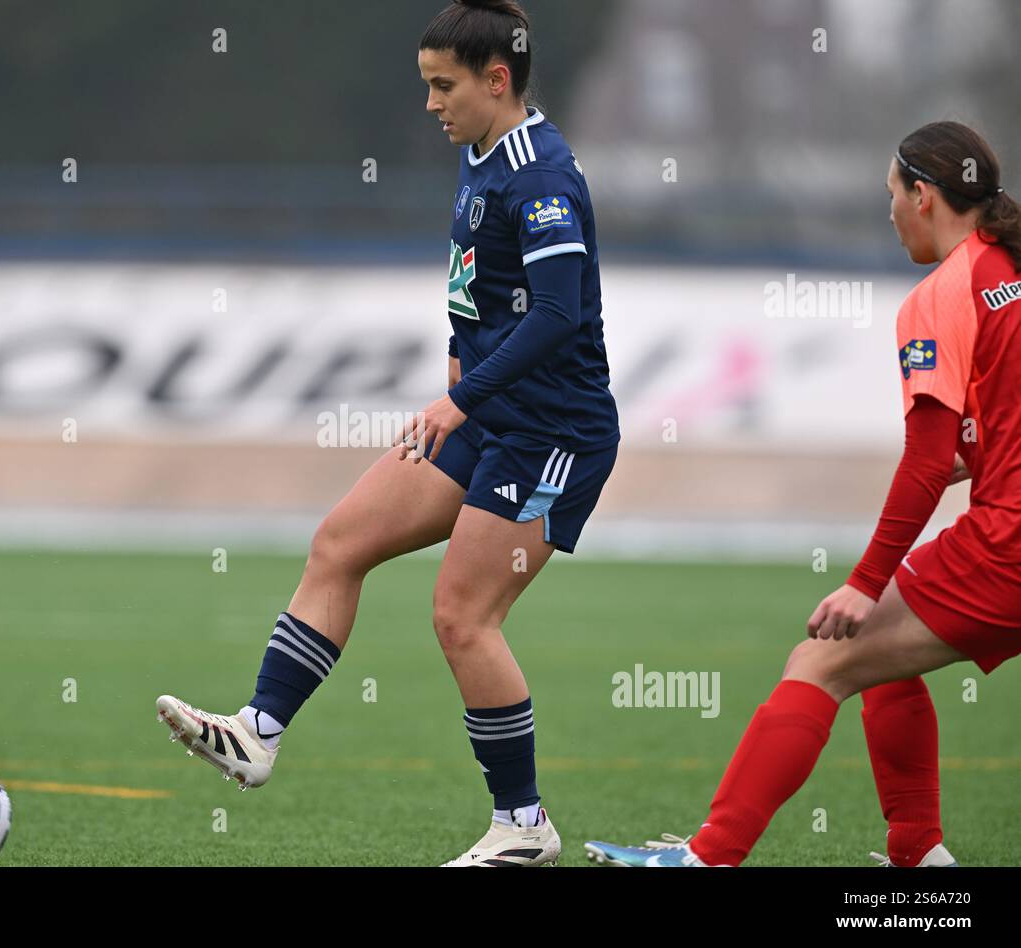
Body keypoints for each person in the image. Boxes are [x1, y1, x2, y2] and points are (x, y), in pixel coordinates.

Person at [158, 0, 619, 867]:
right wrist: (458, 361)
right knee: (338, 542)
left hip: (552, 432)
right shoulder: (481, 154)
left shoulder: (541, 174)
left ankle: (524, 827)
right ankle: (258, 734)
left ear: (497, 79)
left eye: (443, 86)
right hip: (491, 413)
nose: (430, 103)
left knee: (462, 617)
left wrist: (460, 396)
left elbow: (558, 313)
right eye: (424, 85)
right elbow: (480, 288)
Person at [584, 120, 1021, 868]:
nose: (888, 213)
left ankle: (709, 856)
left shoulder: (942, 295)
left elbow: (922, 465)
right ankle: (917, 855)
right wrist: (985, 451)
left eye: (890, 194)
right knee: (882, 659)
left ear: (923, 195)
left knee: (821, 659)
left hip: (1005, 546)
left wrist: (864, 580)